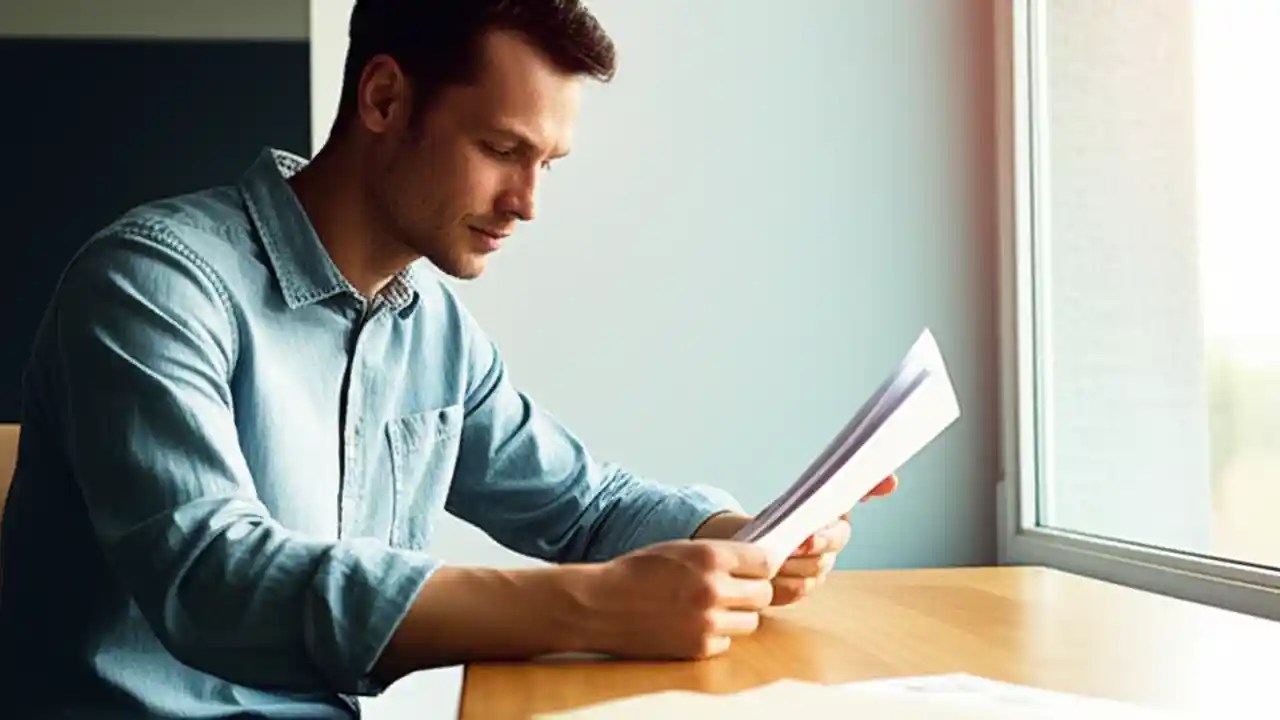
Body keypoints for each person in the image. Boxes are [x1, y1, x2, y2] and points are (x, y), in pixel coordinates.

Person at [0, 1, 897, 717]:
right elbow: (215, 582)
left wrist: (736, 540)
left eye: (549, 162)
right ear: (385, 100)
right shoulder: (152, 285)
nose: (527, 203)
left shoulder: (433, 328)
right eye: (502, 150)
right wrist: (594, 605)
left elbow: (586, 507)